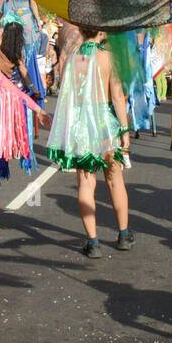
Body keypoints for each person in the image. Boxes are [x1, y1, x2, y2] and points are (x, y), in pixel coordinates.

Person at [44, 26, 133, 259]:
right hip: (105, 125)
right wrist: (124, 129)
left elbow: (70, 94)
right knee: (115, 179)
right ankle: (124, 235)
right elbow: (116, 96)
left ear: (82, 31)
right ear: (101, 31)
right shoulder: (107, 57)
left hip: (82, 126)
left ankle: (93, 241)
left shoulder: (75, 58)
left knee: (86, 182)